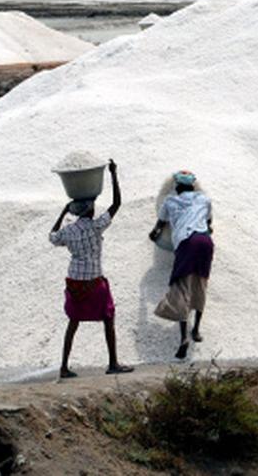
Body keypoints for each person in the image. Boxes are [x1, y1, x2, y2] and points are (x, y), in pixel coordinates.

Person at [49, 158, 134, 378]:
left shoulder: (68, 231)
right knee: (108, 318)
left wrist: (62, 212)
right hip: (95, 282)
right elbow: (116, 204)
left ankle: (64, 367)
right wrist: (113, 174)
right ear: (91, 209)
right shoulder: (97, 226)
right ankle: (113, 363)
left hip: (75, 282)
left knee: (73, 322)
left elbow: (52, 237)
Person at [149, 170, 214, 359]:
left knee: (181, 287)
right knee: (200, 284)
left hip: (187, 243)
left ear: (177, 186)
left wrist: (154, 233)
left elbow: (160, 224)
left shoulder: (170, 201)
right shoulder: (204, 200)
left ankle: (184, 338)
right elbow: (209, 223)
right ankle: (196, 330)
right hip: (205, 242)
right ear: (192, 186)